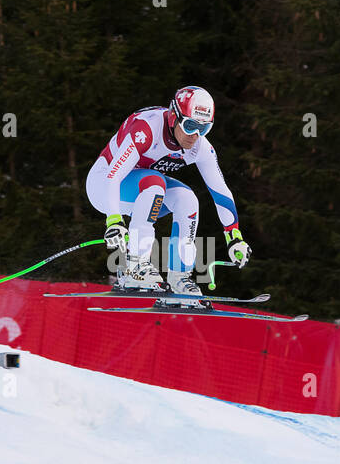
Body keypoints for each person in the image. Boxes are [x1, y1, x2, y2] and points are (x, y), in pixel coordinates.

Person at [85, 86, 251, 303]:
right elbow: (114, 175)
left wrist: (234, 237)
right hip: (103, 186)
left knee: (187, 199)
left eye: (204, 129)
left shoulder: (199, 146)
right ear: (174, 117)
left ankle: (179, 277)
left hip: (144, 192)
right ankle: (135, 266)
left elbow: (220, 191)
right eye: (190, 125)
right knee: (155, 184)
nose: (195, 136)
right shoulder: (147, 129)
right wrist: (113, 220)